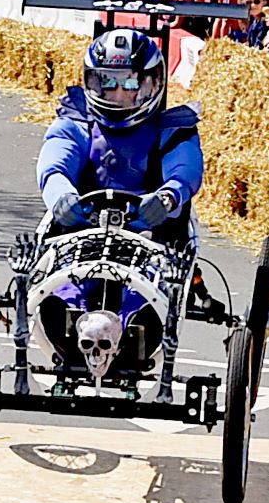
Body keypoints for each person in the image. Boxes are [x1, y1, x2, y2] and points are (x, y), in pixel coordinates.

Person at [37, 29, 204, 392]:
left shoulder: (173, 129)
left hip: (152, 233)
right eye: (106, 83)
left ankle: (131, 337)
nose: (118, 95)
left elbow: (185, 170)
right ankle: (73, 334)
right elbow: (54, 164)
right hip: (80, 229)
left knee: (154, 287)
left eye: (130, 83)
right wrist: (61, 195)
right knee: (54, 285)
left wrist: (169, 196)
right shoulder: (76, 120)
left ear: (152, 84)